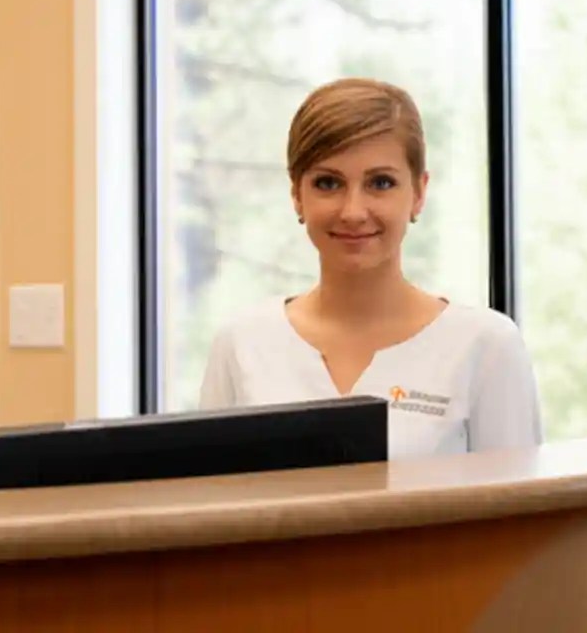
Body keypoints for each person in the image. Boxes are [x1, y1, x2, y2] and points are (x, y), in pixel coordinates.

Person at [198, 78, 542, 459]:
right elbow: (216, 511)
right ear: (297, 194)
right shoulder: (242, 344)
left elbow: (518, 513)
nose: (353, 212)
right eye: (328, 183)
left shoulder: (486, 345)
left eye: (380, 183)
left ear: (419, 192)